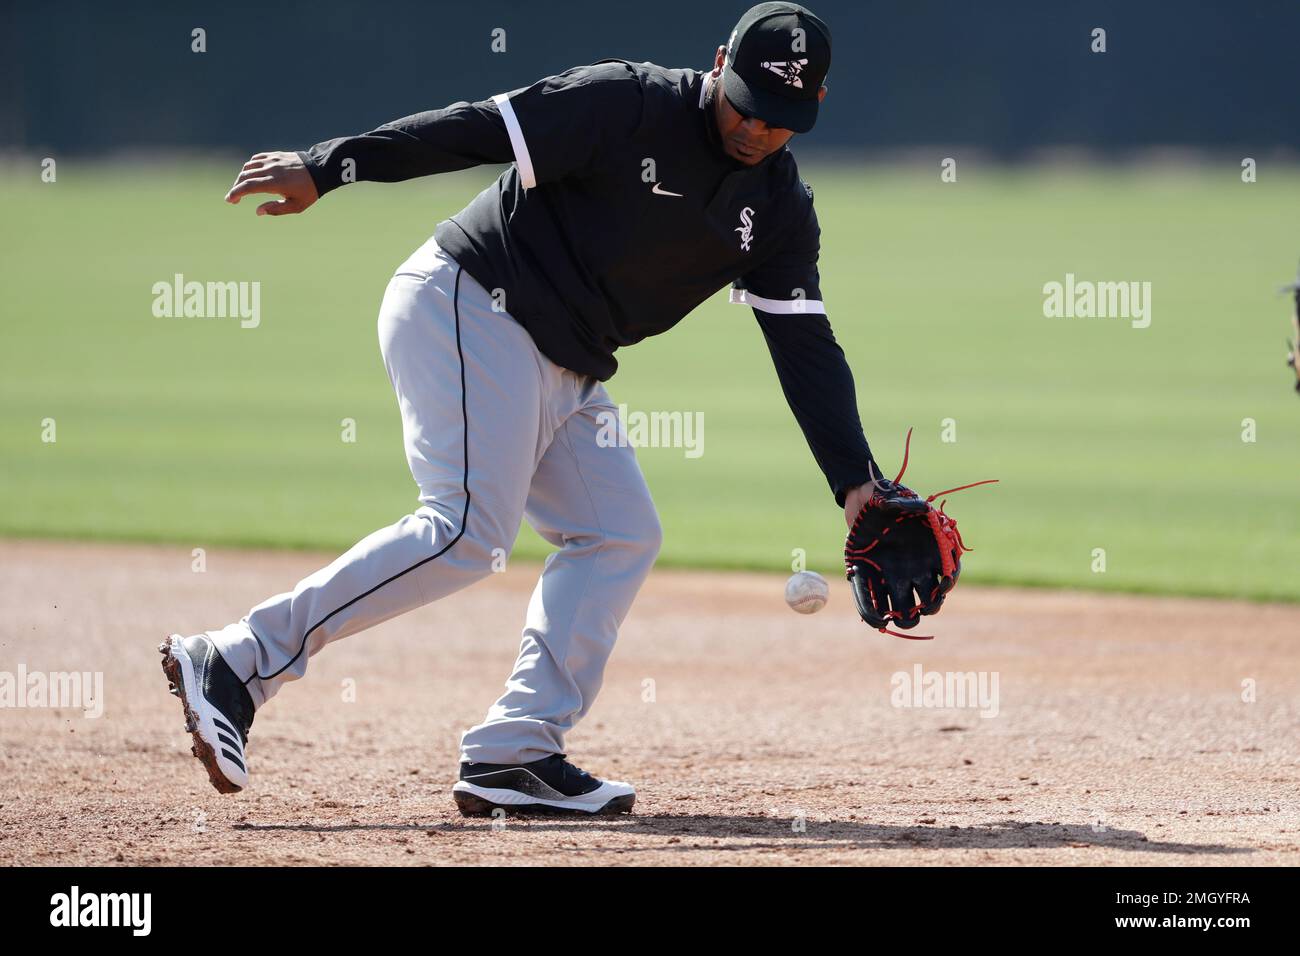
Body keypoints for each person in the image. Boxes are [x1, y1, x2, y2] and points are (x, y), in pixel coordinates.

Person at [160, 2, 884, 816]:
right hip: (470, 303)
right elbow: (475, 129)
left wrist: (856, 483)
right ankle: (237, 660)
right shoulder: (626, 103)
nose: (756, 129)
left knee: (619, 533)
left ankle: (515, 752)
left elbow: (805, 346)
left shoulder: (781, 209)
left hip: (568, 363)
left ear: (814, 109)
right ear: (719, 62)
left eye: (780, 120)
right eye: (746, 104)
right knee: (468, 530)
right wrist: (330, 166)